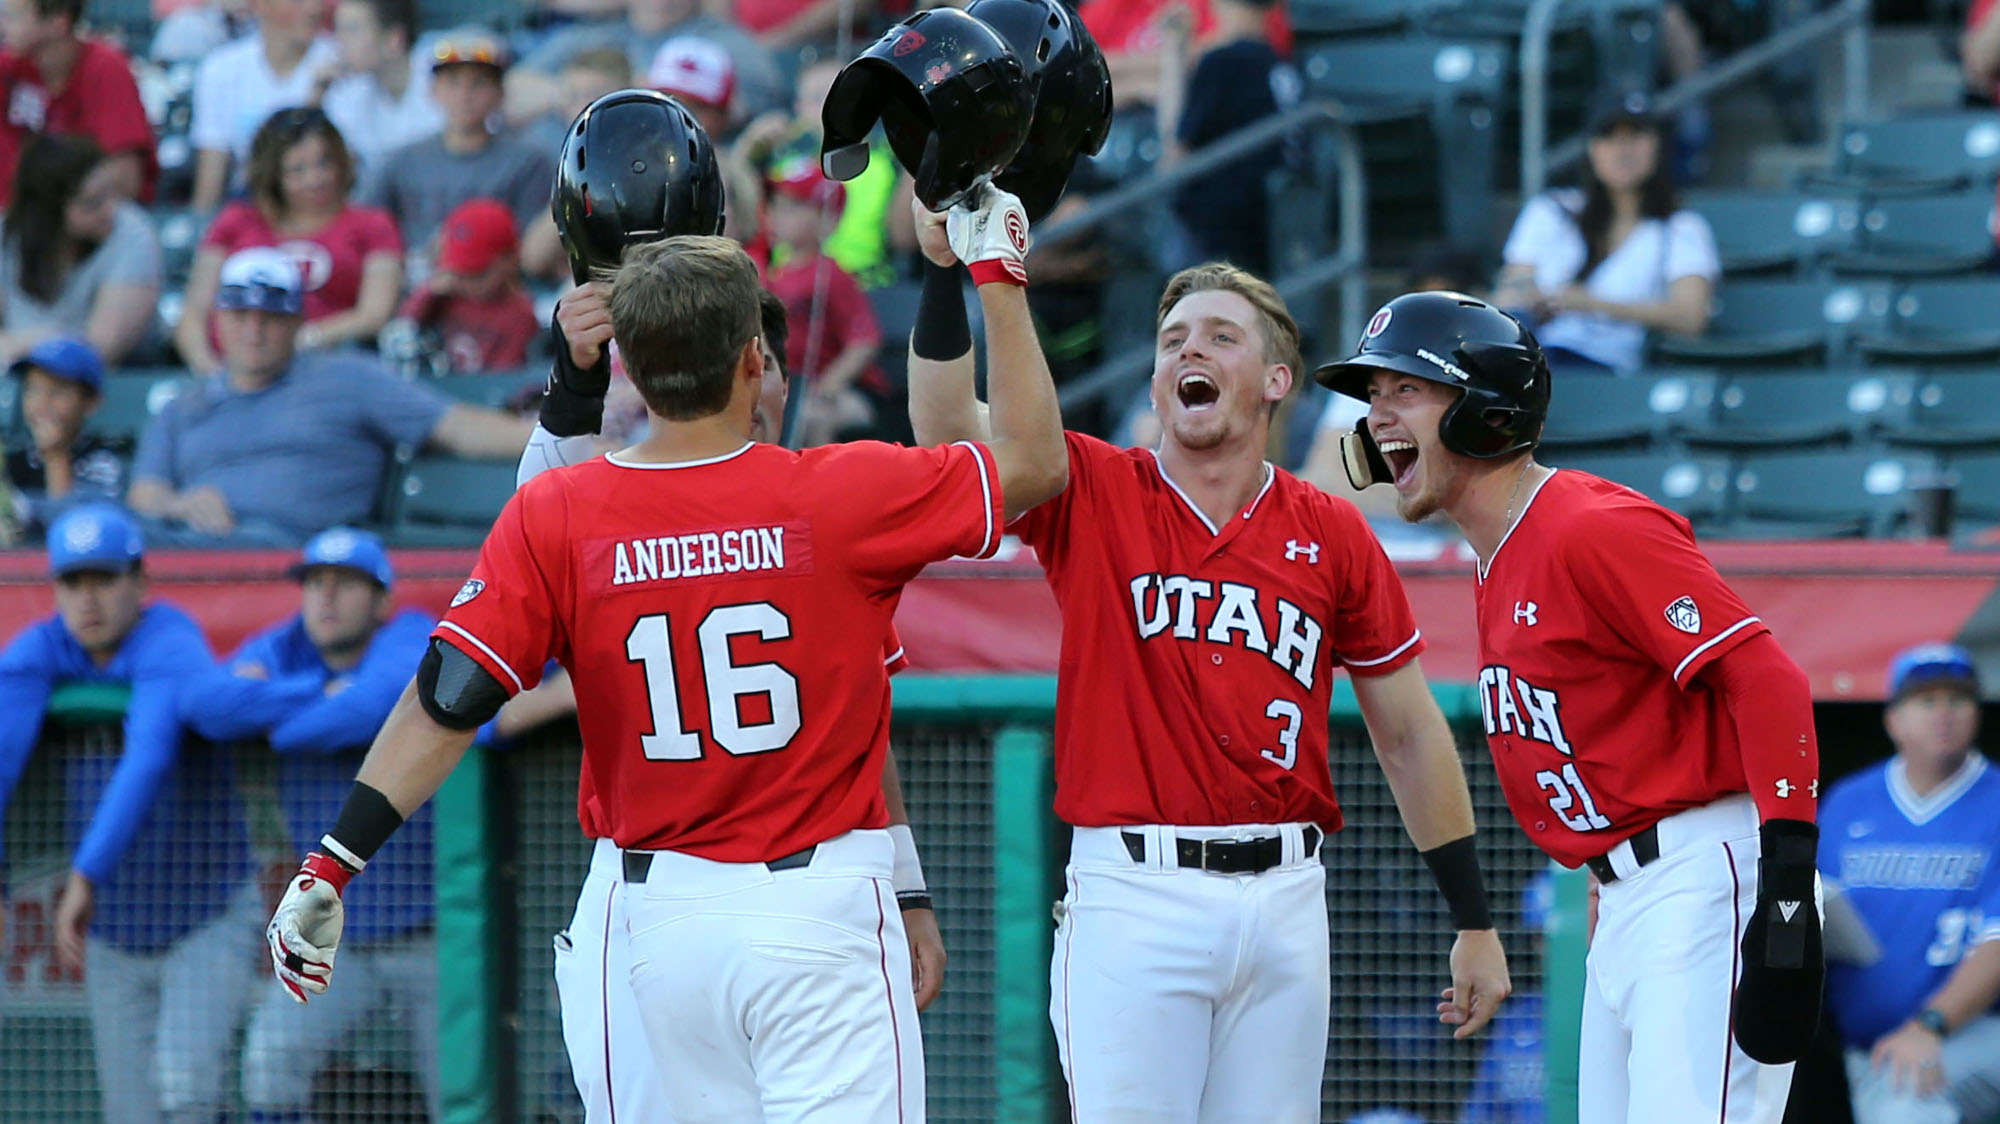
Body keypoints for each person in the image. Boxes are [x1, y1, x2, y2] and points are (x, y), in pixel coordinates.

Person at [266, 209, 1066, 1120]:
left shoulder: (559, 512)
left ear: (632, 370)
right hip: (821, 904)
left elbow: (448, 700)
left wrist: (332, 864)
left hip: (660, 915)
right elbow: (1038, 462)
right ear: (754, 362)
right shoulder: (840, 490)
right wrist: (996, 272)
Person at [907, 241, 1514, 1113]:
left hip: (1288, 899)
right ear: (1156, 383)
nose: (1189, 350)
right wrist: (940, 271)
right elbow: (949, 434)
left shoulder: (1333, 532)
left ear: (1275, 381)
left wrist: (1473, 918)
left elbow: (1412, 734)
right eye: (1172, 339)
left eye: (1221, 337)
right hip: (1135, 891)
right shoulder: (1094, 485)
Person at [1318, 289, 1824, 1123]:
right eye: (1372, 396)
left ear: (1483, 410)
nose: (1377, 416)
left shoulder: (1589, 524)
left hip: (1703, 876)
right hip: (1628, 893)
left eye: (1404, 389)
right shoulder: (1498, 553)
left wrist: (1787, 889)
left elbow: (1767, 680)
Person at [528, 283, 943, 1123]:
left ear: (768, 371)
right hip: (641, 878)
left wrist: (907, 888)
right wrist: (572, 379)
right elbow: (541, 506)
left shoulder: (826, 502)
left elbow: (868, 725)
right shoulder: (604, 497)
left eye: (764, 357)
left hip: (805, 884)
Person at [0, 503, 261, 1124]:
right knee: (133, 1114)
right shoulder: (42, 647)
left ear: (139, 581)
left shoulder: (168, 635)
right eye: (73, 582)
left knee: (188, 1093)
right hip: (116, 938)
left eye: (104, 579)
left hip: (206, 915)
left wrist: (86, 873)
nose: (88, 599)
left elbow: (145, 761)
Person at [179, 527, 444, 1123]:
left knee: (459, 1093)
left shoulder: (409, 635)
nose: (325, 597)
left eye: (346, 584)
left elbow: (352, 713)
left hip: (434, 930)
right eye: (315, 583)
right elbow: (203, 705)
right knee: (270, 1063)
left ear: (380, 599)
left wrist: (277, 709)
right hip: (336, 931)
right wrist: (315, 689)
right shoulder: (288, 650)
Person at [132, 247, 533, 545]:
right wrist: (180, 506)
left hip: (294, 556)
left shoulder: (347, 377)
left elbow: (454, 426)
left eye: (269, 318)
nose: (253, 331)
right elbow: (144, 493)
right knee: (81, 519)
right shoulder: (183, 405)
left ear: (297, 322)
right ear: (218, 320)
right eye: (240, 316)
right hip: (187, 549)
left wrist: (559, 438)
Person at [1819, 643, 2000, 1124]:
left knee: (1907, 1110)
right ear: (1893, 719)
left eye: (1957, 699)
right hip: (1862, 1044)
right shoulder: (1848, 801)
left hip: (1969, 1033)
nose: (1943, 713)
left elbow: (1997, 941)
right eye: (1926, 701)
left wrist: (1930, 1026)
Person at [1491, 92, 1717, 377]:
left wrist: (1590, 303)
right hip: (1533, 355)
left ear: (1657, 145)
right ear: (1591, 148)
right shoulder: (1550, 209)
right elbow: (1513, 287)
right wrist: (1536, 298)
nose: (1623, 150)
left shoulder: (1681, 227)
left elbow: (1690, 317)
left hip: (1607, 368)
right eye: (1609, 136)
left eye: (1635, 136)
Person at [177, 107, 404, 373]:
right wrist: (209, 370)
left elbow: (375, 314)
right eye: (297, 170)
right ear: (273, 175)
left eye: (324, 163)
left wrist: (296, 341)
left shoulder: (373, 224)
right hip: (232, 371)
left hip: (329, 367)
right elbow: (195, 311)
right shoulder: (236, 221)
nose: (314, 179)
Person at [358, 28, 565, 282]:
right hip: (415, 289)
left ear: (499, 93)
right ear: (433, 91)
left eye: (478, 83)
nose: (465, 95)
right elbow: (366, 229)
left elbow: (530, 251)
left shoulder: (528, 162)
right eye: (453, 83)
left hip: (495, 292)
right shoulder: (401, 160)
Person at [1159, 0, 1299, 276]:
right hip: (1269, 226)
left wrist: (1174, 48)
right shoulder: (1281, 62)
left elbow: (1174, 147)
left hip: (1218, 231)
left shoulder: (1222, 62)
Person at [0, 133, 161, 368]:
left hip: (98, 390)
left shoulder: (134, 236)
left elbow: (98, 351)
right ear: (50, 211)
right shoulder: (7, 234)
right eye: (93, 202)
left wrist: (14, 347)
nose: (111, 210)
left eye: (112, 192)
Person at [505, 0, 783, 126]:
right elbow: (508, 93)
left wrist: (621, 94)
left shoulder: (727, 41)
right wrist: (582, 93)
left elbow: (750, 106)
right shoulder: (594, 34)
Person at [761, 160, 884, 447]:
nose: (778, 215)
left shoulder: (831, 275)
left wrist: (828, 386)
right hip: (789, 389)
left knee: (811, 417)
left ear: (827, 218)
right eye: (776, 205)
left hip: (841, 391)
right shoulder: (770, 272)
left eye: (793, 207)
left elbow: (864, 342)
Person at [0, 0, 155, 206]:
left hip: (94, 217)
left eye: (13, 17)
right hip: (16, 220)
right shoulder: (8, 68)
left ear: (58, 21)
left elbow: (126, 180)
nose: (3, 25)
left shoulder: (105, 67)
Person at [188, 0, 337, 212]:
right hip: (251, 205)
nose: (314, 9)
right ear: (260, 5)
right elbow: (211, 174)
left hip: (324, 207)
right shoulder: (220, 69)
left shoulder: (342, 62)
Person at [389, 197, 539, 374]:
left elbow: (503, 379)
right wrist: (430, 291)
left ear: (510, 259)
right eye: (458, 272)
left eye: (476, 273)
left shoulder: (520, 314)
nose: (464, 282)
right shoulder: (446, 297)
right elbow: (403, 330)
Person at [4, 337, 128, 535]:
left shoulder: (102, 462)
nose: (41, 403)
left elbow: (75, 531)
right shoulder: (14, 461)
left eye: (57, 391)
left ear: (91, 401)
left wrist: (55, 456)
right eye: (32, 390)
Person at [312, 0, 444, 172]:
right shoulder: (351, 89)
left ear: (394, 40)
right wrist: (317, 95)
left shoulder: (444, 76)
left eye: (352, 30)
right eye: (338, 30)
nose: (339, 42)